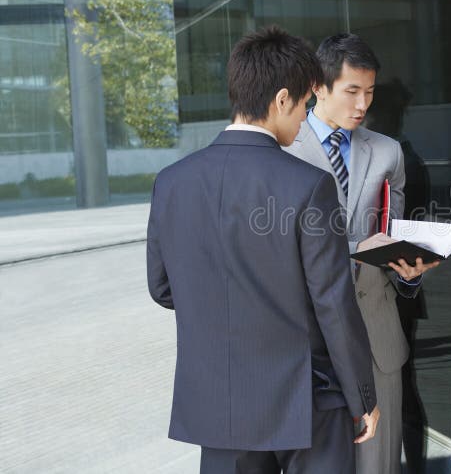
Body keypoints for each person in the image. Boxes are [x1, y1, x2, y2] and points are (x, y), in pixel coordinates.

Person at [146, 25, 379, 474]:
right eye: (306, 105)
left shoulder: (171, 183)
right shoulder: (310, 185)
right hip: (308, 399)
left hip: (219, 403)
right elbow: (333, 303)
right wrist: (363, 398)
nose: (304, 117)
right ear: (282, 100)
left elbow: (162, 287)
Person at [283, 33, 439, 474]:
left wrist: (409, 271)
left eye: (369, 93)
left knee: (380, 466)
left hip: (377, 333)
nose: (362, 104)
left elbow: (391, 237)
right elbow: (285, 244)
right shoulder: (282, 147)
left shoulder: (388, 152)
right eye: (352, 91)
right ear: (318, 85)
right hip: (310, 339)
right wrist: (356, 249)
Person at [364, 79, 430, 473]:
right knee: (404, 386)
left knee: (403, 388)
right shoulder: (407, 156)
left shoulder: (401, 161)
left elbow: (408, 230)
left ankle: (416, 465)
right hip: (396, 285)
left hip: (396, 288)